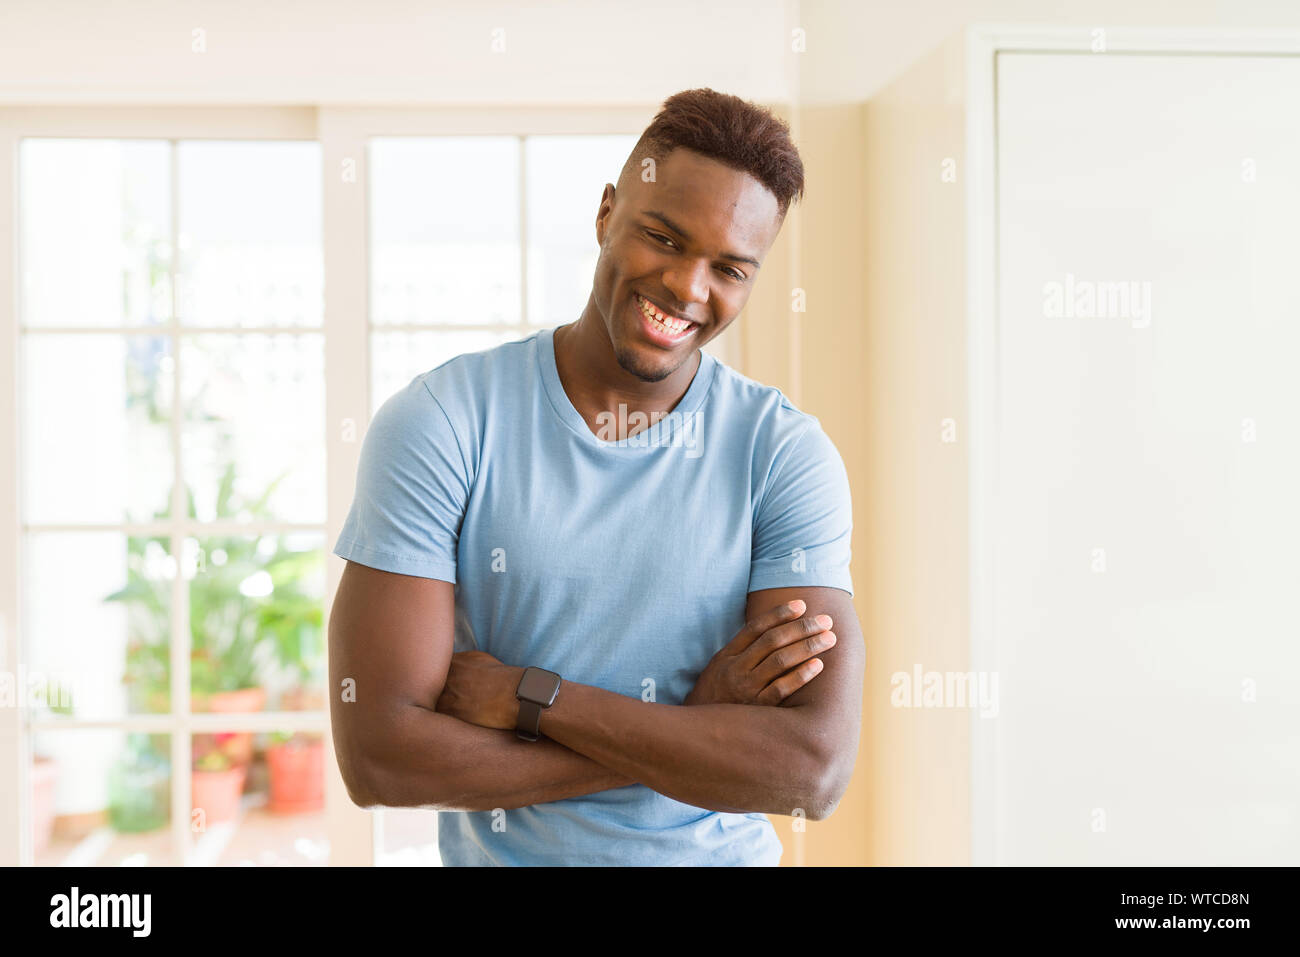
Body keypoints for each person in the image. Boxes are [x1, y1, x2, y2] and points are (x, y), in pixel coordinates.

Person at [329, 88, 863, 865]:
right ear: (608, 212)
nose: (688, 286)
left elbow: (812, 770)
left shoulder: (783, 455)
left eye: (730, 268)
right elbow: (380, 756)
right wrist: (694, 723)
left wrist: (530, 700)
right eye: (663, 236)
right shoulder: (443, 422)